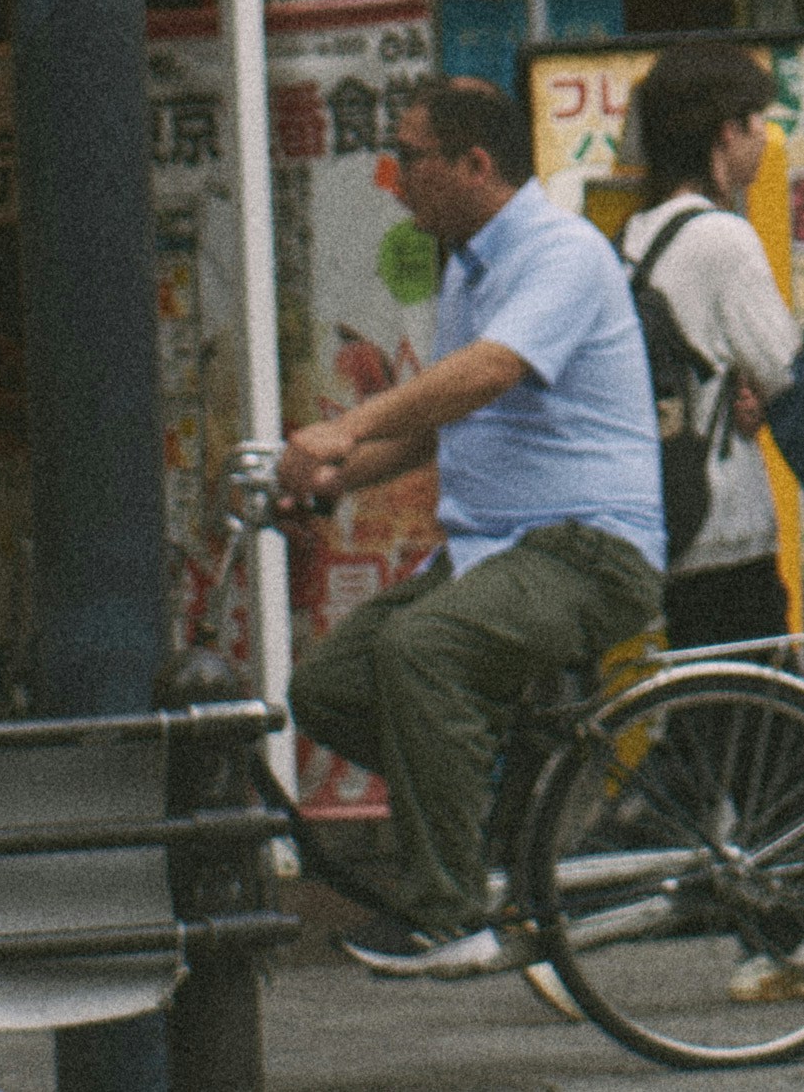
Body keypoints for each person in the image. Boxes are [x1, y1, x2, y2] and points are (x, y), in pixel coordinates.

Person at [272, 76, 662, 976]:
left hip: (587, 546)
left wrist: (347, 425)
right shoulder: (471, 267)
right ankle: (498, 791)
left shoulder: (560, 253)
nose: (393, 176)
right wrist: (326, 479)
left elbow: (487, 374)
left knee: (422, 653)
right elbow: (437, 428)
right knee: (329, 685)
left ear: (475, 165)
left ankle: (451, 913)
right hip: (494, 551)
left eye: (408, 156)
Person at [615, 44, 804, 655]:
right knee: (760, 729)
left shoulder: (630, 240)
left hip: (662, 523)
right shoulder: (722, 237)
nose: (763, 136)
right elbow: (786, 372)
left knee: (699, 723)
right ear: (728, 131)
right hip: (727, 527)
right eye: (758, 121)